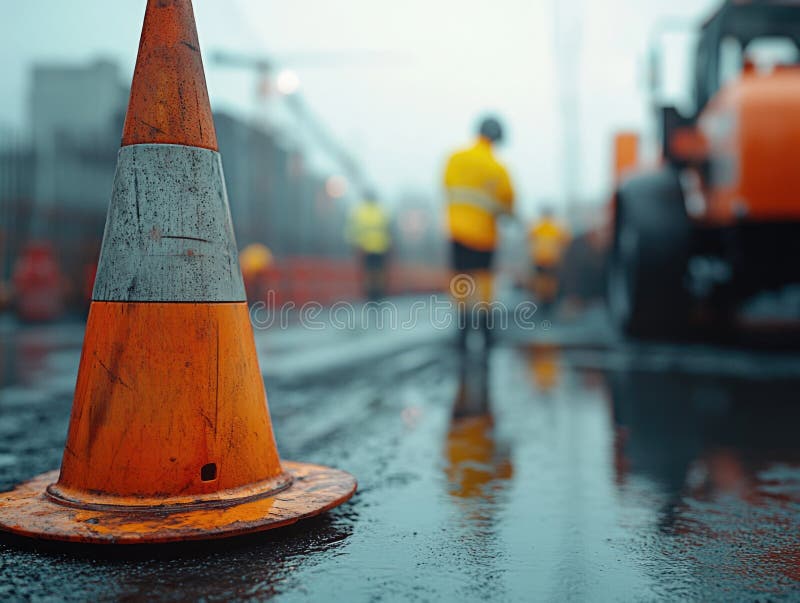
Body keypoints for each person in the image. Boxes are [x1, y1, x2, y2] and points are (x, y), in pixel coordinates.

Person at [443, 116, 515, 347]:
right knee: (484, 281)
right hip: (485, 236)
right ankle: (486, 331)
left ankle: (462, 330)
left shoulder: (455, 158)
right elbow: (508, 203)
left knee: (461, 279)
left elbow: (447, 186)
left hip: (457, 231)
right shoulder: (497, 168)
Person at [347, 193, 391, 300]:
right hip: (379, 247)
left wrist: (355, 245)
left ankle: (370, 292)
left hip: (366, 247)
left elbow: (353, 231)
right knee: (378, 271)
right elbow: (387, 230)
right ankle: (377, 292)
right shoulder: (381, 211)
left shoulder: (360, 212)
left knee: (369, 271)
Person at [529, 206, 571, 311]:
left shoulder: (538, 227)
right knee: (550, 280)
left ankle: (544, 300)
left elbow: (530, 238)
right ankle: (548, 300)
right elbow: (565, 241)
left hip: (541, 258)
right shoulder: (556, 227)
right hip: (551, 258)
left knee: (543, 280)